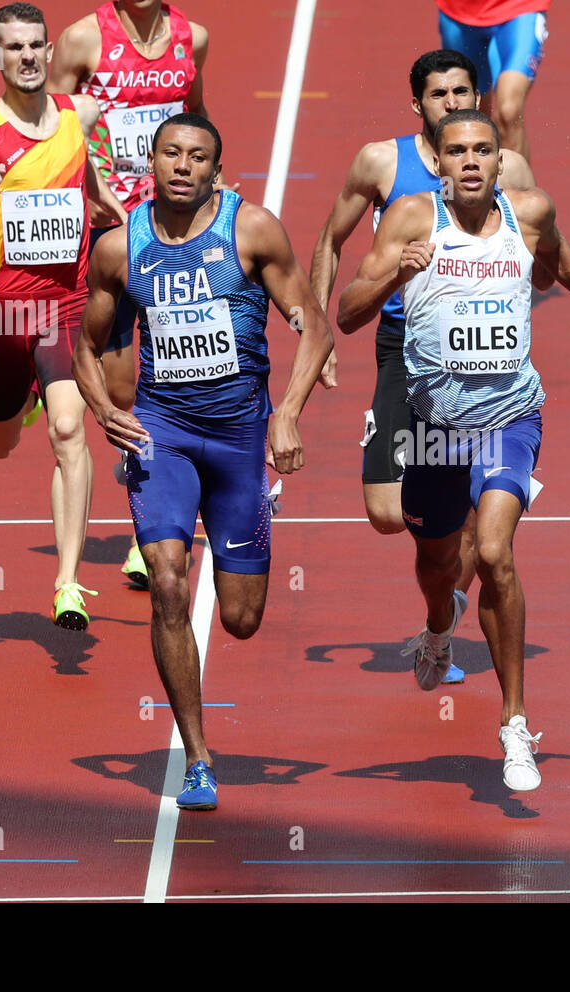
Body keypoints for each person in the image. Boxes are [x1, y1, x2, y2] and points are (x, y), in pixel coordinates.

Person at [337, 109, 570, 792]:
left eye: (483, 150)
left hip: (510, 417)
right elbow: (349, 312)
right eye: (456, 152)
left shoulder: (530, 212)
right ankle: (438, 627)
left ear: (500, 162)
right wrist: (395, 274)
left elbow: (556, 264)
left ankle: (514, 725)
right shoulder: (413, 220)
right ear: (438, 163)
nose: (470, 161)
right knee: (437, 561)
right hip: (433, 426)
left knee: (497, 551)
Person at [74, 113, 331, 810]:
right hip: (162, 432)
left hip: (241, 436)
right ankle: (197, 756)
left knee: (241, 620)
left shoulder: (252, 231)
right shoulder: (119, 248)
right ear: (151, 164)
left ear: (217, 170)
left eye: (198, 158)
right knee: (166, 580)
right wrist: (104, 410)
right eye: (171, 154)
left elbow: (314, 324)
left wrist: (287, 413)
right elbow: (87, 344)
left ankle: (251, 512)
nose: (183, 167)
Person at [312, 49, 535, 684]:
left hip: (482, 366)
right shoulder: (383, 162)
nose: (453, 104)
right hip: (401, 348)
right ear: (419, 104)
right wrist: (319, 331)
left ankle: (443, 613)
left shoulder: (505, 165)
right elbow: (331, 240)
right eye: (440, 95)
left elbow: (530, 245)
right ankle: (446, 582)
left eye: (464, 92)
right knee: (387, 513)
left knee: (475, 525)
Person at [0, 1, 126, 630]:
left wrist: (126, 216)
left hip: (62, 309)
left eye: (37, 45)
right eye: (15, 48)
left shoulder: (80, 115)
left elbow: (99, 191)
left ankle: (67, 583)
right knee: (1, 444)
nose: (30, 57)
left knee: (71, 431)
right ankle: (17, 394)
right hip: (5, 316)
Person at [50, 0, 212, 588]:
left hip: (177, 222)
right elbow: (52, 126)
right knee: (119, 388)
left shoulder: (192, 38)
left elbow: (198, 116)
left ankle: (153, 528)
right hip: (110, 228)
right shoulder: (79, 40)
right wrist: (82, 189)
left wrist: (213, 183)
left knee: (178, 367)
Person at [435, 0, 549, 161]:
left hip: (519, 10)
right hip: (458, 13)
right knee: (470, 116)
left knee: (509, 113)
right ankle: (482, 184)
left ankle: (517, 185)